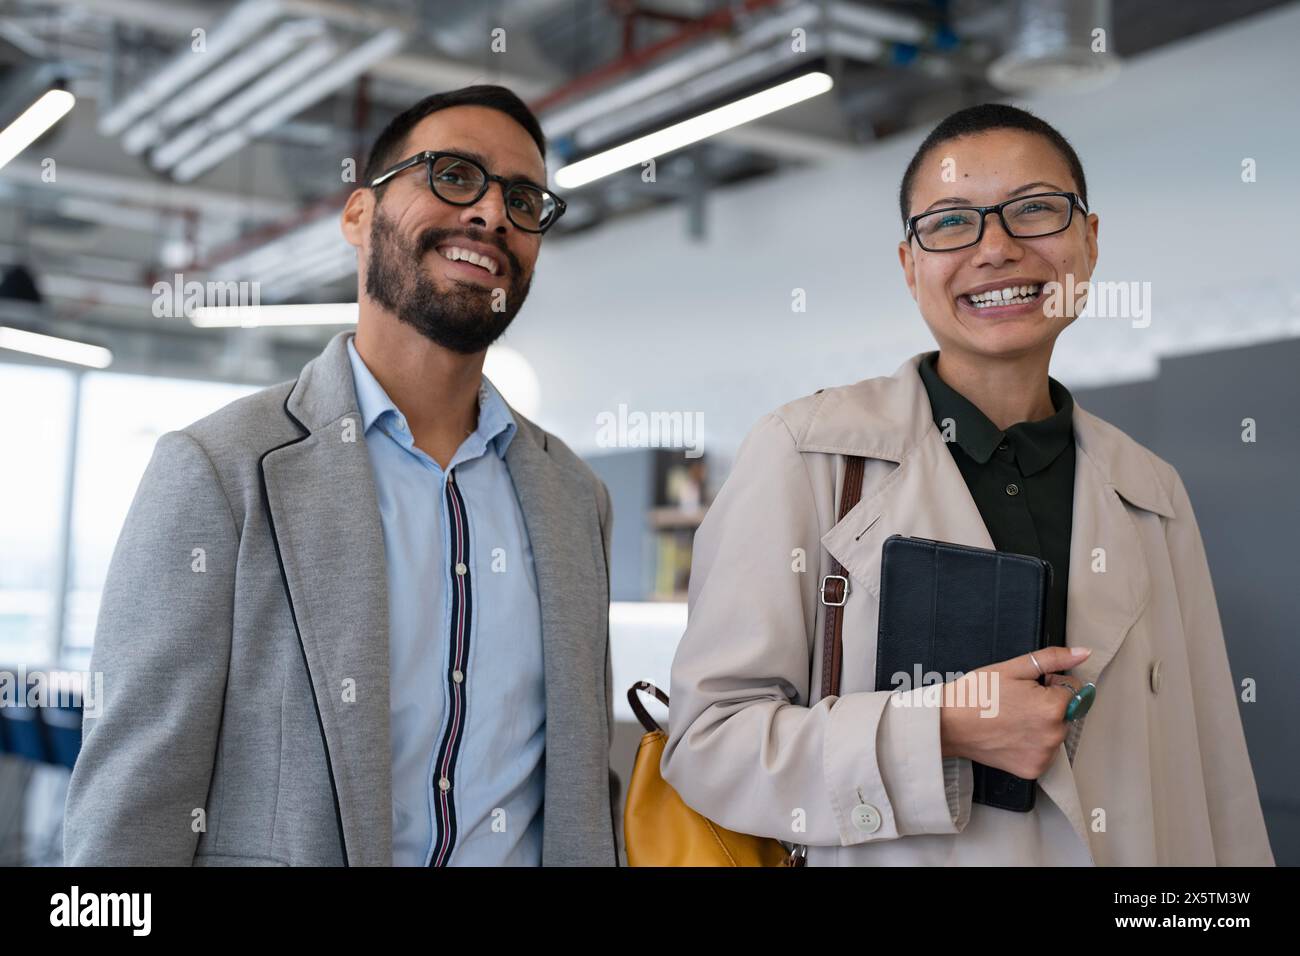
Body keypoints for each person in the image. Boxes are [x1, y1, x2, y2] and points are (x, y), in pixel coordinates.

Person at [660, 103, 1273, 866]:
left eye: (1037, 211)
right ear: (910, 264)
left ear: (1088, 240)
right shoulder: (807, 453)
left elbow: (1213, 774)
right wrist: (940, 727)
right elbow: (708, 745)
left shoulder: (1150, 490)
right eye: (952, 223)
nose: (998, 248)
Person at [64, 85, 620, 867]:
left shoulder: (574, 499)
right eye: (454, 176)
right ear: (359, 216)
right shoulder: (220, 473)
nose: (493, 214)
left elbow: (576, 786)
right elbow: (133, 813)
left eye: (524, 199)